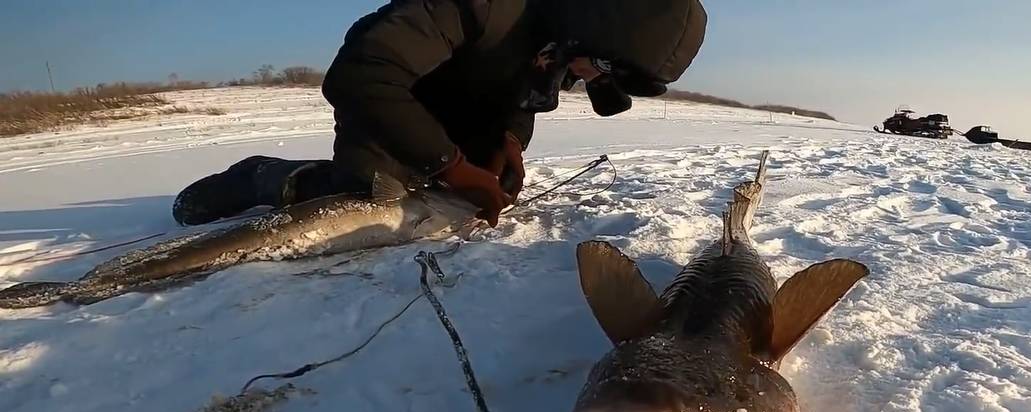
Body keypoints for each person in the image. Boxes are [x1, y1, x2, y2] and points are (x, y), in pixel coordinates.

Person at [172, 0, 707, 228]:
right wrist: (451, 166)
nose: (592, 79)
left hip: (464, 118)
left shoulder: (568, 36)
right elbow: (361, 73)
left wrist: (510, 142)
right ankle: (264, 176)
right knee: (361, 198)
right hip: (390, 104)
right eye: (605, 67)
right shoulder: (482, 4)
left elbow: (529, 95)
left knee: (456, 202)